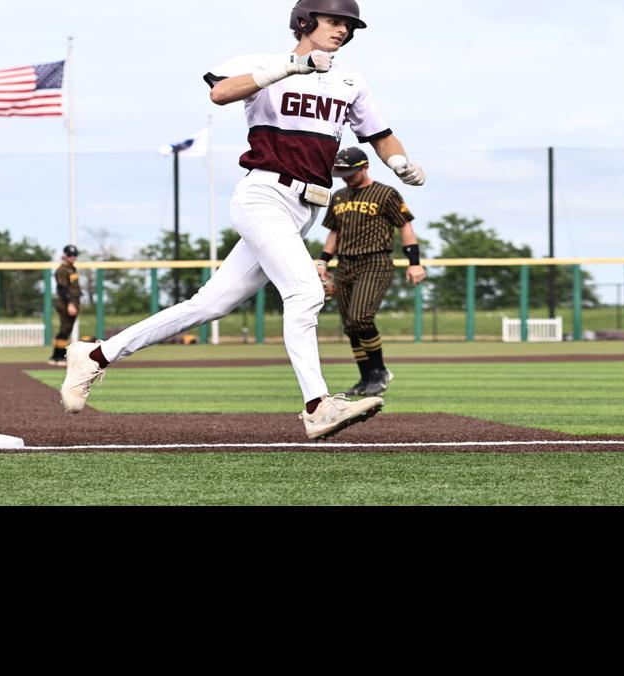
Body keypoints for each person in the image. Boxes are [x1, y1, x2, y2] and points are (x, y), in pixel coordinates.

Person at [57, 0, 428, 440]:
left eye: (349, 25)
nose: (342, 30)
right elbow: (219, 92)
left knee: (209, 305)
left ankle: (96, 355)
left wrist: (400, 161)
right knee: (305, 291)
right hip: (264, 193)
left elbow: (380, 136)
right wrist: (293, 67)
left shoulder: (351, 80)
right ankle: (318, 405)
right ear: (305, 22)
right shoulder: (265, 63)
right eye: (334, 21)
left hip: (306, 208)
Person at [316, 145, 427, 397]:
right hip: (344, 264)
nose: (345, 176)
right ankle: (365, 378)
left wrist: (415, 262)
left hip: (375, 262)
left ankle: (379, 372)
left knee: (360, 317)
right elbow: (333, 232)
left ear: (365, 166)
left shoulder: (386, 193)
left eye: (349, 172)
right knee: (351, 325)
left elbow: (405, 227)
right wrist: (323, 262)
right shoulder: (339, 196)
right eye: (341, 172)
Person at [48, 245, 81, 366]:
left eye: (75, 255)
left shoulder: (72, 269)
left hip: (72, 302)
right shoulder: (62, 269)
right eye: (70, 255)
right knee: (65, 329)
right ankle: (59, 356)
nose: (73, 257)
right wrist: (71, 304)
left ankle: (55, 356)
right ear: (64, 256)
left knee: (66, 329)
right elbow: (62, 289)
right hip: (65, 302)